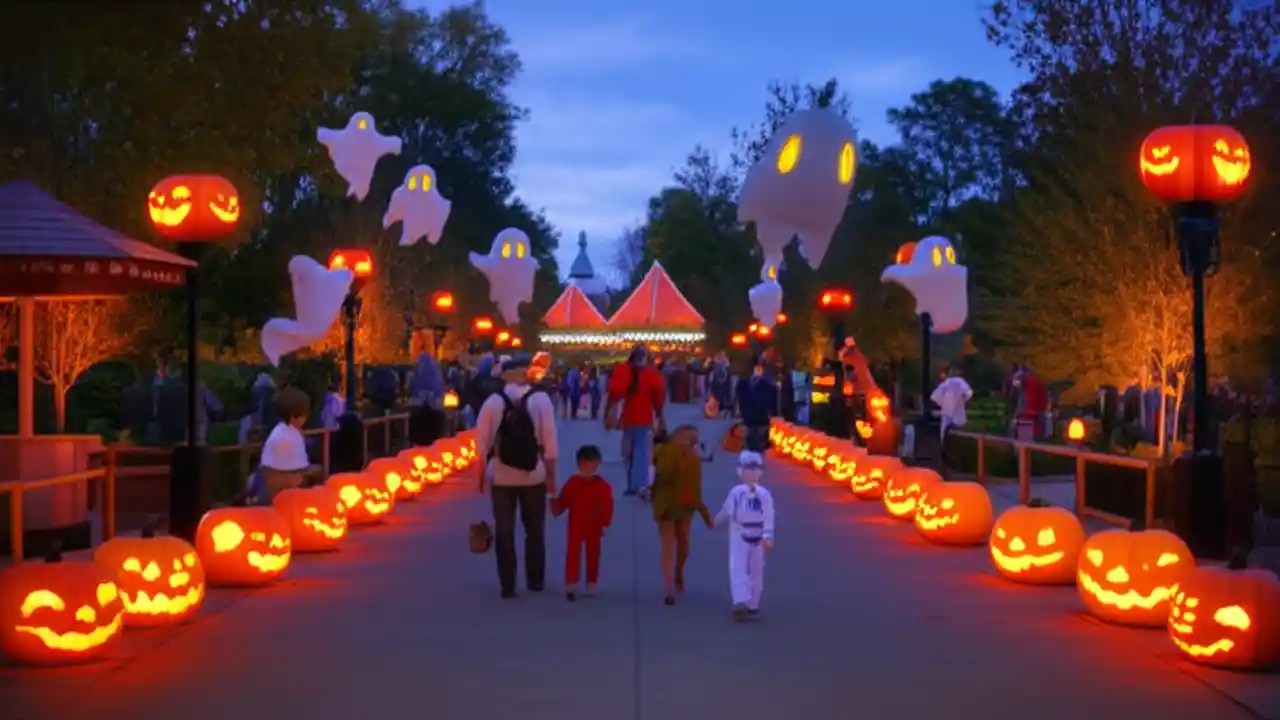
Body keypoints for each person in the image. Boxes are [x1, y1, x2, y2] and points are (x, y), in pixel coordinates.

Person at [475, 357, 559, 599]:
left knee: (504, 530)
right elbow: (550, 442)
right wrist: (552, 475)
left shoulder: (492, 402)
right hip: (535, 474)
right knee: (534, 530)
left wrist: (480, 477)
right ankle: (535, 579)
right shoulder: (541, 400)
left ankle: (508, 582)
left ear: (504, 376)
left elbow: (482, 444)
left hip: (501, 476)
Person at [652, 425, 713, 606]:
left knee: (684, 545)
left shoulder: (694, 459)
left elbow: (696, 488)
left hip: (685, 506)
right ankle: (668, 588)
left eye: (694, 439)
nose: (692, 443)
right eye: (688, 439)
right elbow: (663, 474)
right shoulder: (664, 452)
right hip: (666, 505)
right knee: (668, 546)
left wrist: (704, 513)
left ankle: (679, 571)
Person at [714, 450, 775, 622]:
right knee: (738, 566)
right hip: (739, 531)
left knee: (756, 569)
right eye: (747, 468)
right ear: (740, 471)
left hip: (758, 533)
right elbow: (727, 509)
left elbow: (769, 515)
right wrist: (717, 521)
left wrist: (768, 535)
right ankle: (740, 600)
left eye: (754, 469)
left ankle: (753, 603)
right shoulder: (736, 492)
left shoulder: (764, 495)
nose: (751, 472)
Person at [550, 445, 613, 601]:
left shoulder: (602, 486)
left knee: (593, 553)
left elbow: (607, 505)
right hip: (576, 523)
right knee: (573, 553)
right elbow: (564, 499)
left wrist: (605, 523)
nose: (588, 470)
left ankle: (591, 582)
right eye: (585, 466)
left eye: (592, 466)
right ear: (579, 465)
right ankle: (571, 583)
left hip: (594, 523)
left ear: (598, 465)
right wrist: (554, 504)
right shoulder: (573, 483)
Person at [605, 345, 667, 496]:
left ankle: (631, 484)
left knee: (628, 453)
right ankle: (639, 484)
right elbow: (659, 397)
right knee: (641, 452)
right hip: (644, 420)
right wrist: (660, 416)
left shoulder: (622, 372)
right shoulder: (651, 375)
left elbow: (613, 393)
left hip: (627, 420)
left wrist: (607, 413)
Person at [251, 387, 324, 503]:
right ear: (295, 416)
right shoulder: (290, 437)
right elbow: (297, 471)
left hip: (270, 480)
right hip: (280, 486)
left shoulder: (281, 430)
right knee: (319, 473)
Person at [736, 360, 776, 453]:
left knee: (758, 432)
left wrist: (769, 411)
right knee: (749, 431)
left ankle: (757, 448)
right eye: (756, 369)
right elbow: (740, 395)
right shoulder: (745, 382)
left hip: (760, 412)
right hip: (748, 410)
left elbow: (769, 399)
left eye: (760, 369)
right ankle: (748, 447)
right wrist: (741, 407)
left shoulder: (766, 385)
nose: (758, 371)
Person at [931, 367, 974, 439]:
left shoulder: (944, 384)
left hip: (947, 414)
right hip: (959, 414)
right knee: (959, 436)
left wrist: (943, 404)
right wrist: (965, 402)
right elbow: (969, 394)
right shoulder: (961, 382)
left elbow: (935, 397)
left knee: (945, 436)